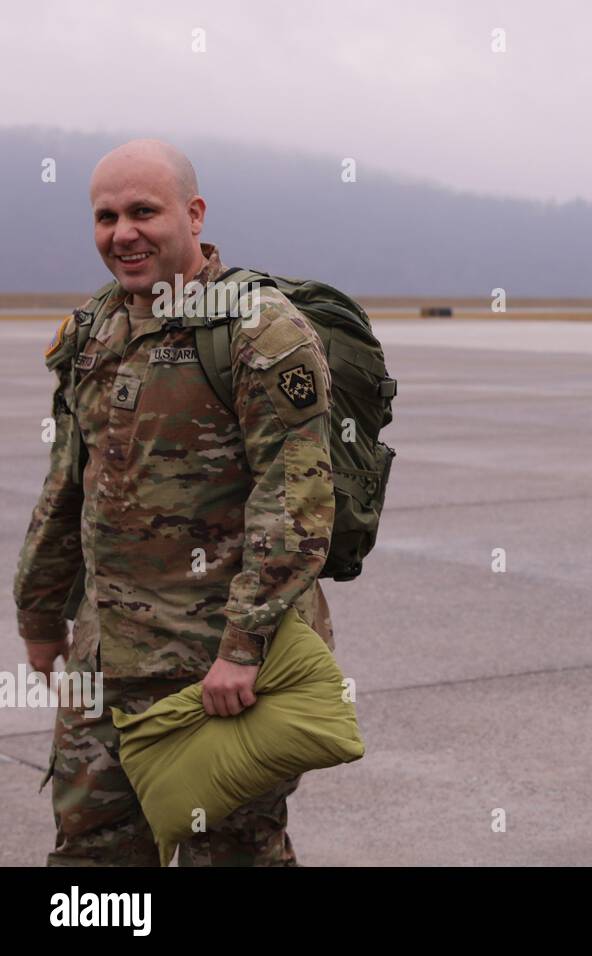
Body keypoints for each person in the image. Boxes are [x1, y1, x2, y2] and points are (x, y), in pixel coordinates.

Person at [14, 139, 336, 866]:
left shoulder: (261, 333)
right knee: (90, 858)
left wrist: (244, 650)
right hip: (104, 662)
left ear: (193, 215)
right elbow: (70, 480)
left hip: (215, 674)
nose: (122, 232)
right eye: (105, 216)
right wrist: (39, 612)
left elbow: (296, 501)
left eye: (143, 212)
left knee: (229, 853)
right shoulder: (96, 330)